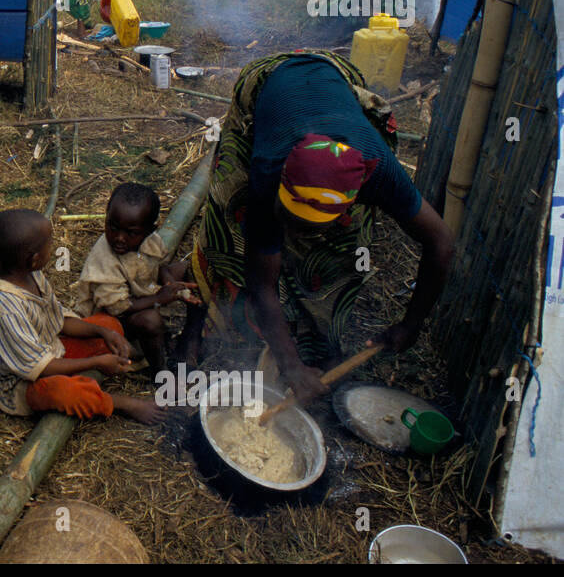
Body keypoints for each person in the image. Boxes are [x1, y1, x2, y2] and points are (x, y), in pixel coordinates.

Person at [179, 52, 454, 402]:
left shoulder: (380, 174)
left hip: (336, 82)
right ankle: (195, 324)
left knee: (341, 255)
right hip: (269, 81)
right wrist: (289, 366)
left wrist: (412, 324)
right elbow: (261, 282)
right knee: (227, 221)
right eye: (288, 220)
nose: (291, 235)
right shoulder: (269, 168)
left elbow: (442, 242)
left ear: (346, 206)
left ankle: (323, 343)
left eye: (305, 229)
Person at [0, 208, 166, 424]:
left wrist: (102, 331)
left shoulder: (31, 275)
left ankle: (97, 363)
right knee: (65, 393)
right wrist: (96, 362)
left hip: (51, 349)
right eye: (49, 244)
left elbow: (59, 323)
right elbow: (41, 368)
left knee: (110, 324)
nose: (54, 247)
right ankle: (116, 403)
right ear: (34, 258)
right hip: (24, 385)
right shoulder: (5, 307)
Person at [74, 184, 199, 374]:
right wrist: (159, 299)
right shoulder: (104, 260)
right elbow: (118, 308)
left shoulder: (150, 239)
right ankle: (159, 372)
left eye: (131, 233)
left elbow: (158, 266)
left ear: (150, 230)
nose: (119, 238)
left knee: (190, 270)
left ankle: (191, 337)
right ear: (106, 219)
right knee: (150, 320)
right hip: (112, 325)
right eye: (112, 227)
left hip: (141, 295)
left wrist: (169, 283)